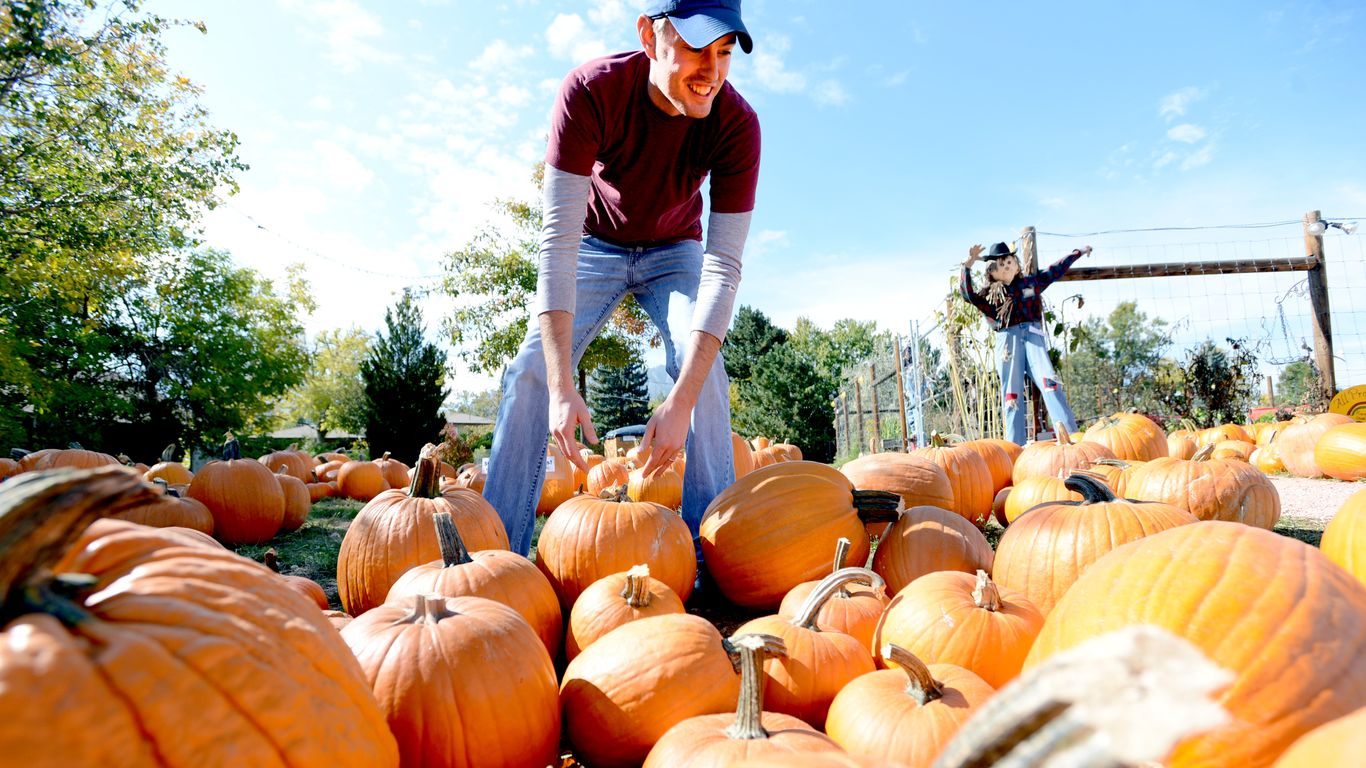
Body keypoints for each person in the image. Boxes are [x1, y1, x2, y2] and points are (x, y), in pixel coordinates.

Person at [483, 0, 760, 560]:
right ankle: (498, 558)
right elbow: (557, 240)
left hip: (676, 250)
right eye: (695, 48)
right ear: (649, 36)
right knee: (532, 370)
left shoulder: (737, 124)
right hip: (593, 244)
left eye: (724, 52)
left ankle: (712, 563)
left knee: (704, 372)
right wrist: (562, 386)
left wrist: (680, 403)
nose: (711, 71)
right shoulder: (591, 91)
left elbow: (723, 267)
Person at [960, 241, 1091, 445]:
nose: (1007, 267)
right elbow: (968, 295)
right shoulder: (991, 295)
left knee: (1049, 382)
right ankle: (1016, 447)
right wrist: (967, 265)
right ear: (992, 272)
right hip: (1007, 341)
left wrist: (1078, 252)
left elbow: (1055, 270)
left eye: (1010, 262)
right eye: (1001, 265)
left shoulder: (1031, 283)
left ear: (1016, 264)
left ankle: (1070, 436)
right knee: (1012, 394)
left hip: (1032, 336)